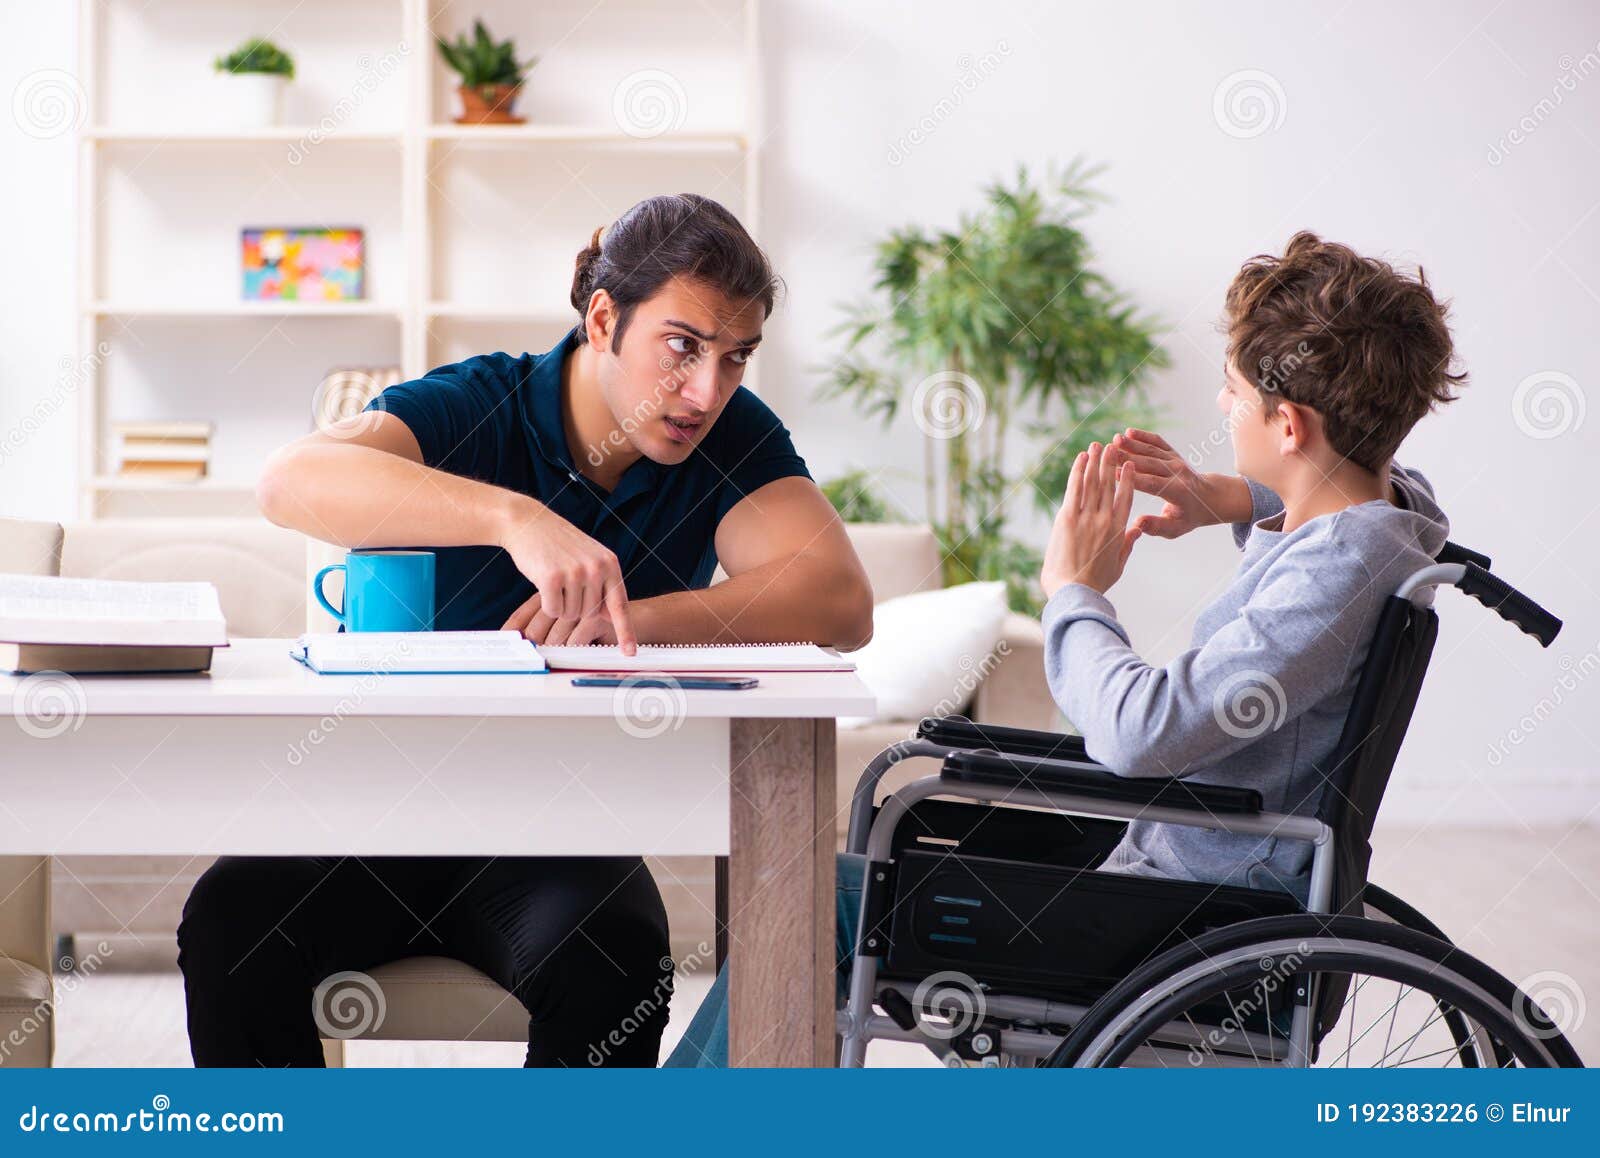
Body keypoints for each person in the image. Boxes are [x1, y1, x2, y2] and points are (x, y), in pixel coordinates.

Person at [666, 230, 1463, 1066]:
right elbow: (1360, 487)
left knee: (812, 898)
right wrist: (1223, 495)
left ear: (1291, 424)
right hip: (1187, 893)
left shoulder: (1334, 571)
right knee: (875, 866)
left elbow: (1142, 731)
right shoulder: (1392, 525)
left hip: (1184, 923)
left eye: (1231, 392)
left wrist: (1075, 591)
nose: (1223, 409)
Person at [177, 193, 874, 1068]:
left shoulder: (726, 437)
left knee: (618, 961)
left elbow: (840, 601)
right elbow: (290, 480)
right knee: (231, 920)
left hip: (557, 837)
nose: (706, 389)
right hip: (372, 818)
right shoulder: (481, 400)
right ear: (603, 316)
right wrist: (514, 519)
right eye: (682, 347)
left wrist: (625, 621)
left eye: (736, 359)